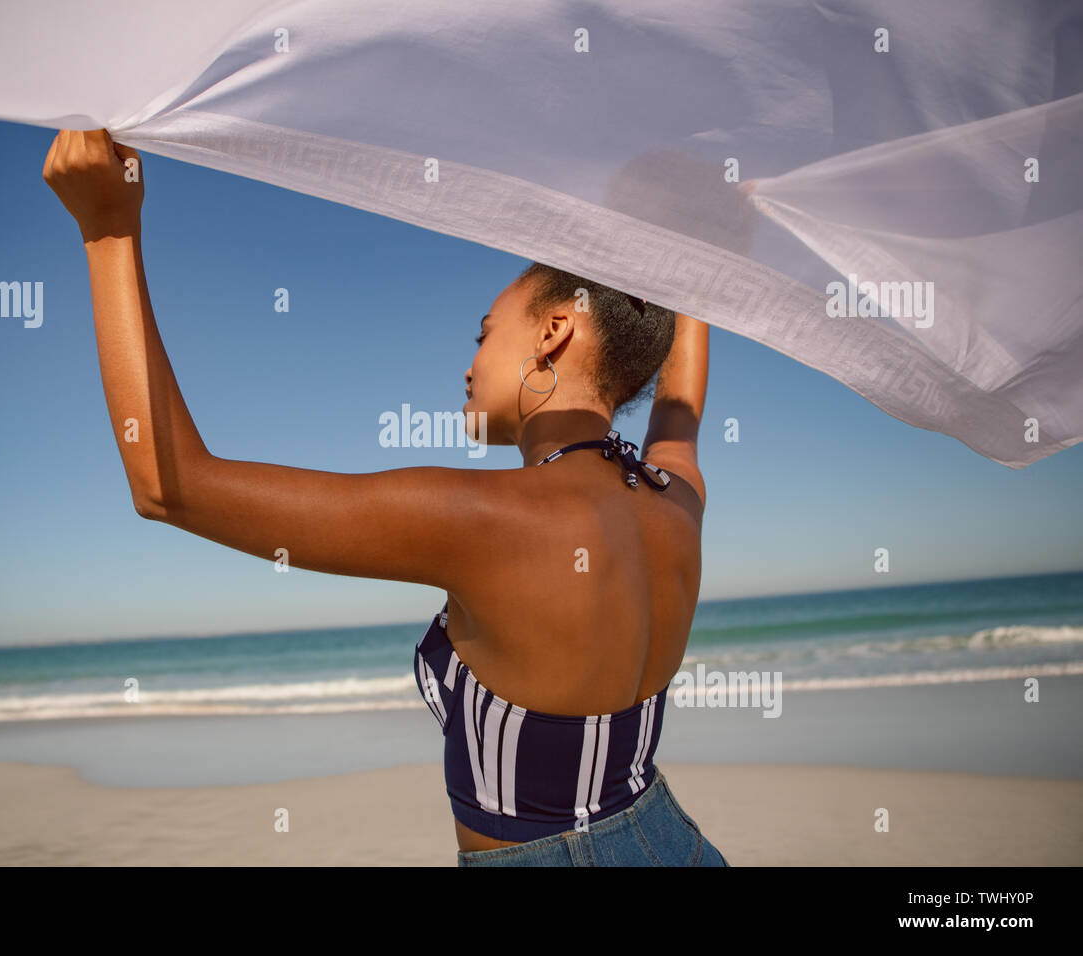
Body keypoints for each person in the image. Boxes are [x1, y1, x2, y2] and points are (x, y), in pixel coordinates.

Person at [43, 128, 729, 867]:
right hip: (675, 842)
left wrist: (107, 227)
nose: (469, 367)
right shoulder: (674, 497)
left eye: (484, 333)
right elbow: (680, 400)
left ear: (555, 332)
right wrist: (699, 251)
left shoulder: (483, 518)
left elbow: (168, 484)